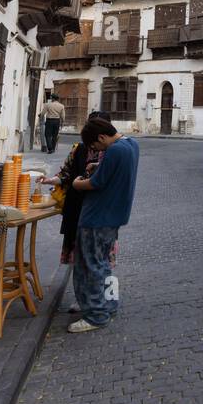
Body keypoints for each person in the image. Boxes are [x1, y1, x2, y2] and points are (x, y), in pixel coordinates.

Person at [68, 118, 139, 332]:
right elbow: (119, 168)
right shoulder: (131, 144)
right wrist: (100, 164)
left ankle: (96, 314)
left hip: (97, 217)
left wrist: (76, 183)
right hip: (114, 215)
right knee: (104, 263)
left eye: (95, 147)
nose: (95, 150)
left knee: (90, 265)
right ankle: (107, 303)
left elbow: (95, 183)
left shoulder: (115, 151)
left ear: (101, 137)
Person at [44, 110, 110, 315]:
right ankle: (83, 299)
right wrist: (51, 180)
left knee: (101, 260)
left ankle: (106, 299)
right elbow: (65, 173)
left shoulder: (112, 152)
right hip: (77, 210)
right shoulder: (78, 149)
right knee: (80, 259)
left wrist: (83, 184)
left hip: (100, 212)